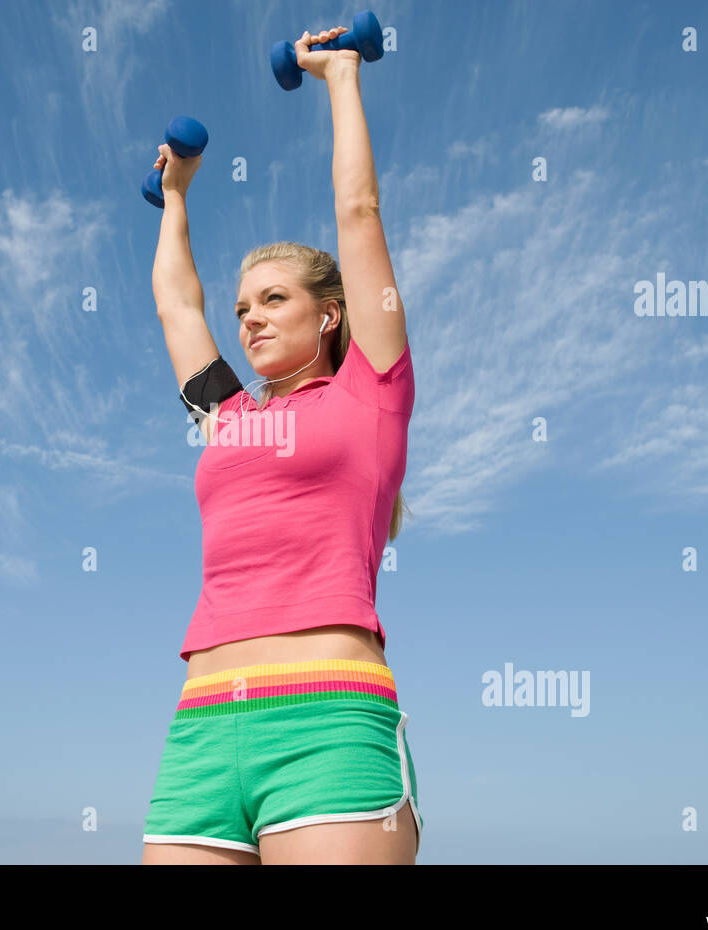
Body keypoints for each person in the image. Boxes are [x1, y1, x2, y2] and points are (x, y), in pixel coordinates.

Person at [142, 26, 420, 865]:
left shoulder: (371, 391)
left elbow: (358, 213)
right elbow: (178, 310)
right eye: (244, 308)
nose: (249, 317)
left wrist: (340, 77)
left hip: (328, 723)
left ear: (329, 314)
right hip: (202, 725)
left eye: (272, 299)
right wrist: (178, 197)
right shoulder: (226, 417)